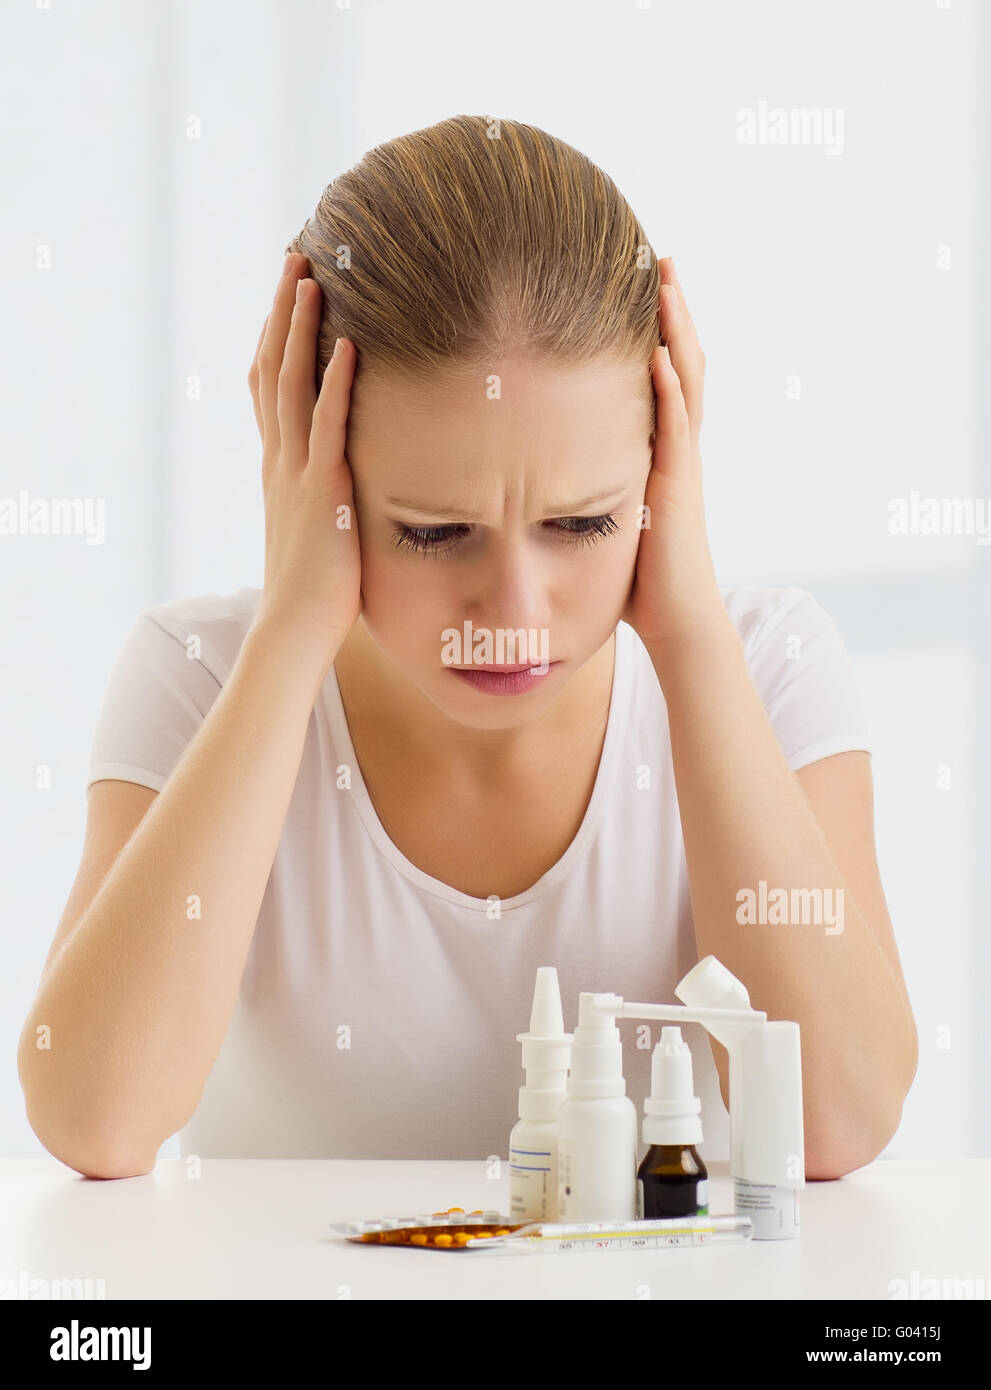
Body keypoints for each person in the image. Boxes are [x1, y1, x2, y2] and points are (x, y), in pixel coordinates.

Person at [17, 115, 917, 1178]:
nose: (512, 609)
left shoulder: (767, 669)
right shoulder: (200, 675)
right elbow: (93, 1119)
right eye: (434, 531)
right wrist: (293, 630)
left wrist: (688, 639)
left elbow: (835, 1126)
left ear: (664, 460)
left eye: (580, 524)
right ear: (313, 467)